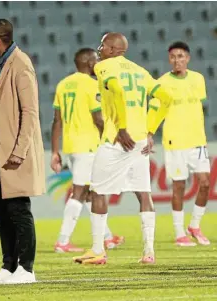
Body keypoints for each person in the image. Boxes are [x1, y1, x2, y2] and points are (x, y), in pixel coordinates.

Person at [73, 32, 172, 265]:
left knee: (97, 191)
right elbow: (165, 97)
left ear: (111, 49)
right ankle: (149, 252)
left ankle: (98, 250)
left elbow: (116, 89)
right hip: (139, 141)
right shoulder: (140, 71)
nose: (98, 49)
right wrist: (150, 131)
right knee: (143, 193)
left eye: (102, 45)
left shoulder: (104, 67)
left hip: (116, 139)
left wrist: (122, 128)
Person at [0, 19, 45, 285]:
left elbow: (29, 111)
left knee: (18, 207)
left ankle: (26, 269)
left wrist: (20, 149)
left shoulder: (20, 63)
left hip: (13, 151)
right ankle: (9, 266)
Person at [51, 48, 124, 253]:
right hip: (89, 146)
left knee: (93, 193)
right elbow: (98, 119)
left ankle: (107, 237)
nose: (99, 63)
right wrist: (113, 140)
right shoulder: (92, 85)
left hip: (71, 146)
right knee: (81, 192)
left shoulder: (63, 85)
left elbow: (56, 121)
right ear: (90, 63)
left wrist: (55, 151)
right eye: (96, 60)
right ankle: (63, 241)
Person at [147, 41, 211, 247]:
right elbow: (156, 110)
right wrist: (149, 133)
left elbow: (196, 109)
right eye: (173, 56)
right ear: (169, 59)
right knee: (179, 186)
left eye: (181, 56)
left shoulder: (198, 79)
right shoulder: (163, 83)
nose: (177, 60)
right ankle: (179, 232)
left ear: (188, 58)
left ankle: (194, 225)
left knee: (205, 183)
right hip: (175, 142)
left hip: (197, 141)